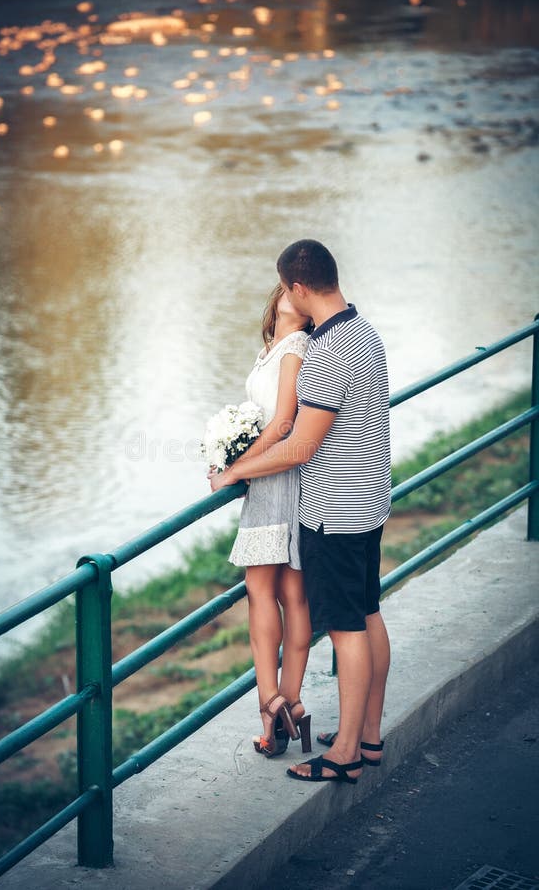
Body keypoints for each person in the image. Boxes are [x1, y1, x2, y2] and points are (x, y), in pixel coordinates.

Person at [209, 239, 391, 785]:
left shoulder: (327, 353)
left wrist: (236, 471)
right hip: (372, 498)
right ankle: (370, 737)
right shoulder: (366, 333)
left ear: (296, 288)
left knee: (346, 630)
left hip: (335, 509)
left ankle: (345, 757)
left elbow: (298, 447)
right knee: (368, 614)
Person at [211, 283, 314, 758]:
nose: (294, 295)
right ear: (276, 300)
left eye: (301, 294)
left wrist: (235, 469)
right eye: (287, 290)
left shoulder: (295, 348)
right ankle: (291, 703)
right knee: (290, 593)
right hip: (279, 475)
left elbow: (282, 424)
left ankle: (270, 702)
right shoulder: (272, 349)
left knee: (263, 594)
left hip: (275, 480)